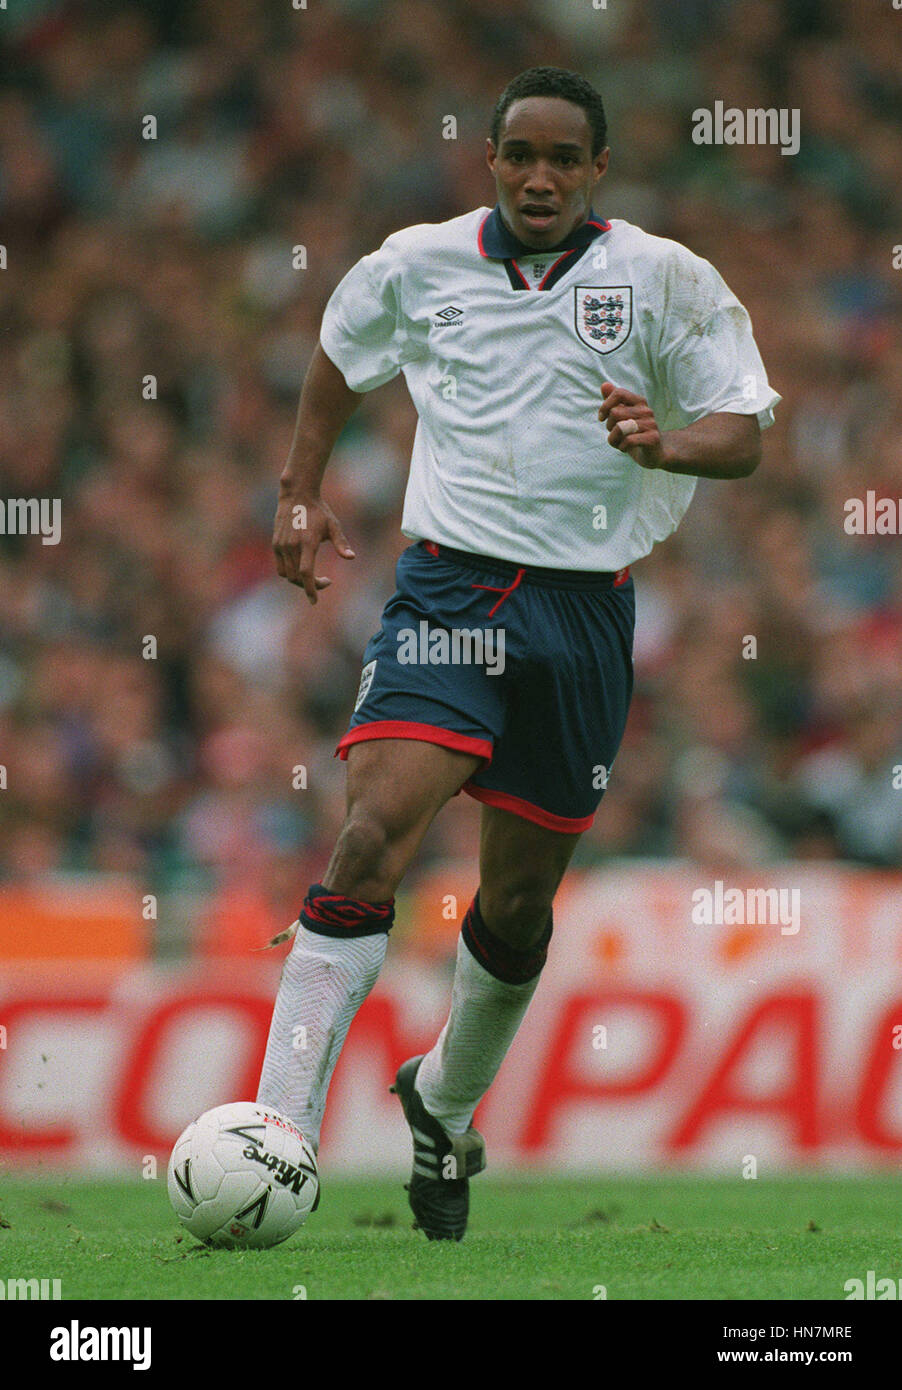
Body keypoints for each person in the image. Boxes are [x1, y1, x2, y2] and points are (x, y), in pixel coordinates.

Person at [257, 66, 780, 1240]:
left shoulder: (660, 277)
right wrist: (299, 490)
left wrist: (664, 447)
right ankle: (278, 1125)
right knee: (367, 833)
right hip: (448, 587)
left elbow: (740, 435)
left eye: (563, 158)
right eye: (519, 155)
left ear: (597, 170)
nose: (539, 176)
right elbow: (340, 359)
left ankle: (442, 1103)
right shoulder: (416, 263)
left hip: (583, 613)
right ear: (488, 160)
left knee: (518, 901)